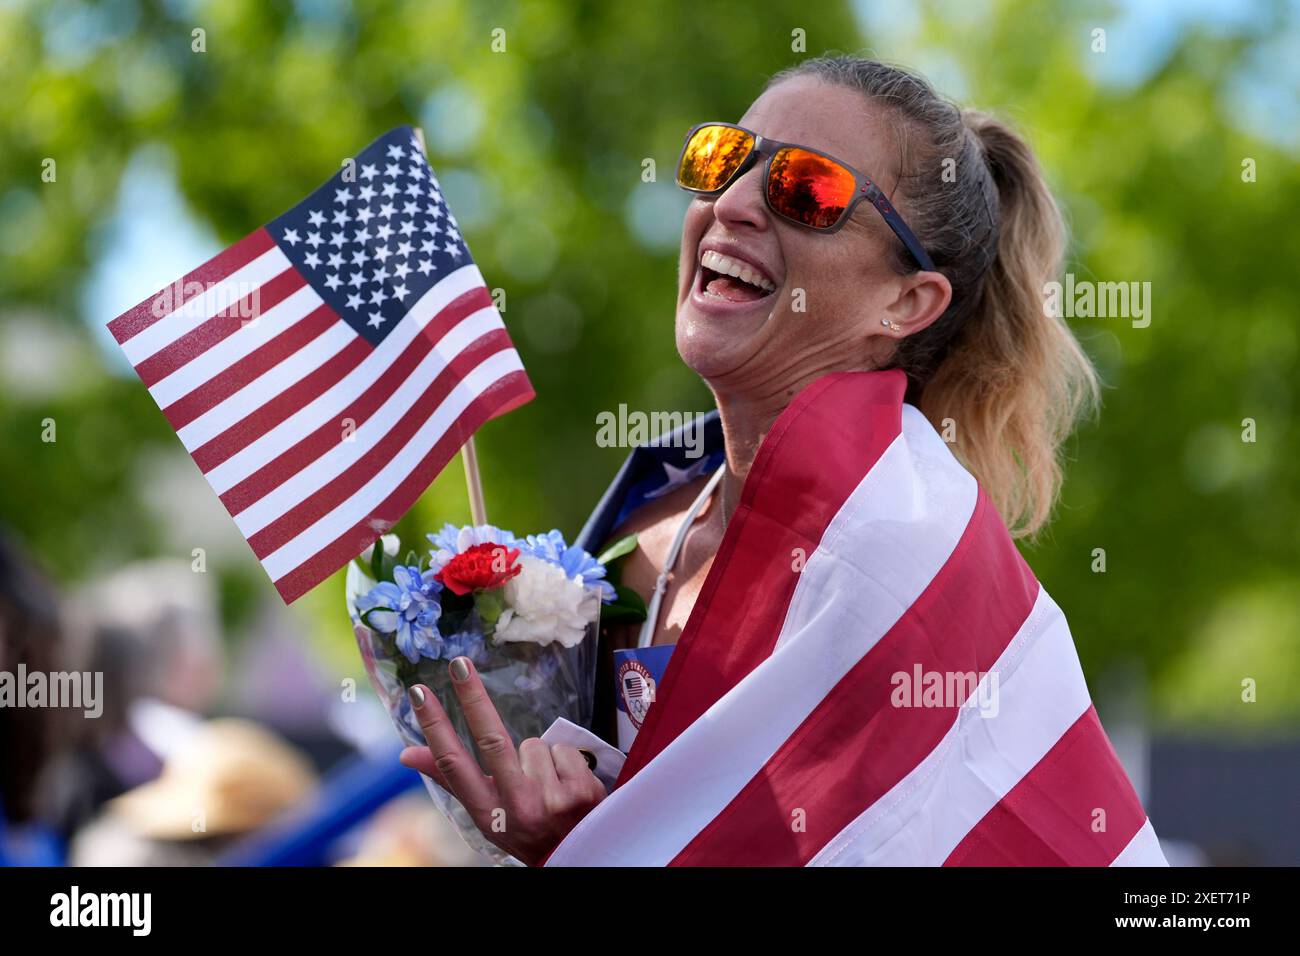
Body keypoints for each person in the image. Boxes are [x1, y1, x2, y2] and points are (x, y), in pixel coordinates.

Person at [399, 54, 1168, 867]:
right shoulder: (657, 502)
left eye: (806, 190)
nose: (729, 204)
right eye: (722, 159)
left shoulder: (905, 552)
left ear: (905, 302)